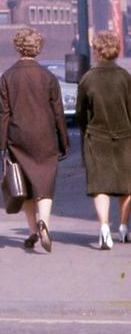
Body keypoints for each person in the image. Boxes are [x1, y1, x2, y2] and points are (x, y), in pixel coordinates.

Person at [0, 27, 70, 252]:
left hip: (18, 138)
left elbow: (4, 113)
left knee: (25, 186)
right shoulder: (48, 77)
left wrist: (2, 144)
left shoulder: (7, 77)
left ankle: (31, 231)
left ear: (18, 47)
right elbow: (58, 112)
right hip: (45, 137)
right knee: (45, 185)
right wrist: (63, 141)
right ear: (38, 48)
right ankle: (44, 223)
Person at [75, 30, 131, 249]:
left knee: (101, 185)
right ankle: (124, 227)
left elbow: (81, 113)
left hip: (97, 139)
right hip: (126, 138)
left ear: (97, 51)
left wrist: (87, 130)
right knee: (127, 185)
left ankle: (104, 227)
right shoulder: (126, 77)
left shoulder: (88, 79)